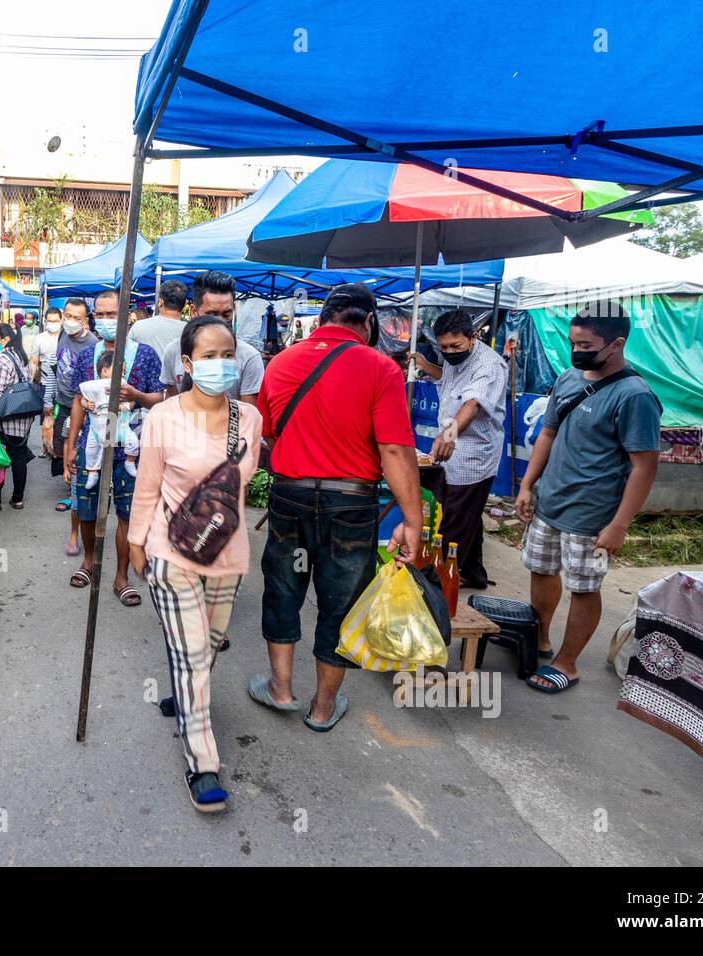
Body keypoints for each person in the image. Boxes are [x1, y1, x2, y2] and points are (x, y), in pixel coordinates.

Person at [253, 284, 422, 732]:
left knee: (284, 588)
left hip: (289, 494)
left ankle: (280, 689)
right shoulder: (381, 368)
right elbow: (394, 451)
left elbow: (269, 436)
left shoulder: (282, 363)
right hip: (350, 502)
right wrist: (412, 518)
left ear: (324, 317)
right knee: (342, 602)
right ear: (368, 323)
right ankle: (323, 708)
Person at [130, 316, 262, 813]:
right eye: (208, 356)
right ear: (187, 364)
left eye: (227, 353)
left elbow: (239, 492)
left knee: (206, 650)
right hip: (170, 551)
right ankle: (203, 765)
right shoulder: (163, 416)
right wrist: (138, 543)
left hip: (227, 558)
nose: (220, 363)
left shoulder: (248, 420)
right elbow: (147, 484)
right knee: (191, 657)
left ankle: (184, 697)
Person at [516, 301, 661, 694]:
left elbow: (644, 467)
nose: (577, 351)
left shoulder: (635, 397)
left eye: (585, 344)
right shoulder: (567, 378)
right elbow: (547, 434)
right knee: (542, 571)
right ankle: (542, 637)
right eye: (572, 342)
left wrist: (619, 525)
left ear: (616, 344)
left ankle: (568, 662)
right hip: (549, 503)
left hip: (592, 516)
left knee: (584, 587)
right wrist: (528, 485)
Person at [64, 288, 162, 606]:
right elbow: (79, 401)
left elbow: (160, 399)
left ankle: (121, 577)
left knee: (127, 514)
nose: (106, 320)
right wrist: (70, 444)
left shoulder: (144, 355)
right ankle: (90, 561)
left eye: (112, 314)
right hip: (92, 444)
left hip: (131, 448)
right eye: (101, 314)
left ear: (127, 315)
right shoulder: (86, 356)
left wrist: (137, 396)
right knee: (88, 507)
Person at [409, 310, 508, 588]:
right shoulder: (455, 358)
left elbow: (473, 403)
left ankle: (435, 585)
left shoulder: (489, 366)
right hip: (449, 449)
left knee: (453, 522)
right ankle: (473, 573)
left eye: (456, 346)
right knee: (468, 516)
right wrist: (428, 365)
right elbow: (451, 381)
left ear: (474, 337)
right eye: (444, 347)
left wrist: (449, 434)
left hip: (473, 454)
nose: (450, 352)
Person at [160, 272, 265, 404]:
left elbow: (249, 414)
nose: (220, 322)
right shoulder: (174, 351)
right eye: (212, 314)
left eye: (227, 314)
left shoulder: (249, 357)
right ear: (194, 311)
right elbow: (171, 399)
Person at [53, 298, 97, 553]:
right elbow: (58, 368)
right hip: (63, 403)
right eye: (67, 315)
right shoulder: (63, 334)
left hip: (81, 408)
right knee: (62, 450)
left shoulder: (92, 345)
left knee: (77, 456)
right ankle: (72, 487)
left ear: (86, 320)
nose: (69, 320)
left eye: (76, 317)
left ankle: (75, 496)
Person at [0, 323, 35, 510]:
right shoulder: (21, 356)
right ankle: (17, 499)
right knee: (19, 457)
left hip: (4, 417)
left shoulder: (2, 359)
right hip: (22, 414)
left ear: (5, 340)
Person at [80, 350, 141, 489]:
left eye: (124, 371)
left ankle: (130, 462)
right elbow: (82, 400)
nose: (123, 374)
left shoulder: (124, 387)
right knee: (91, 449)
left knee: (133, 442)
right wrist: (87, 404)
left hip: (120, 426)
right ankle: (93, 471)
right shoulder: (93, 386)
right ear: (105, 371)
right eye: (120, 370)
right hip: (96, 428)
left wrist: (123, 406)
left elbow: (131, 403)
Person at [30, 307, 63, 459]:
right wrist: (30, 380)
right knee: (46, 415)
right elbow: (34, 360)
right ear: (45, 321)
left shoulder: (66, 336)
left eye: (56, 320)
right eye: (50, 321)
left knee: (60, 415)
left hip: (63, 383)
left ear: (61, 320)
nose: (53, 323)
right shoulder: (39, 338)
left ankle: (58, 446)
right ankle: (45, 446)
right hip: (45, 381)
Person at [129, 278, 188, 358]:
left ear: (160, 302)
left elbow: (126, 355)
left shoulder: (138, 326)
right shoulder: (191, 331)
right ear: (184, 305)